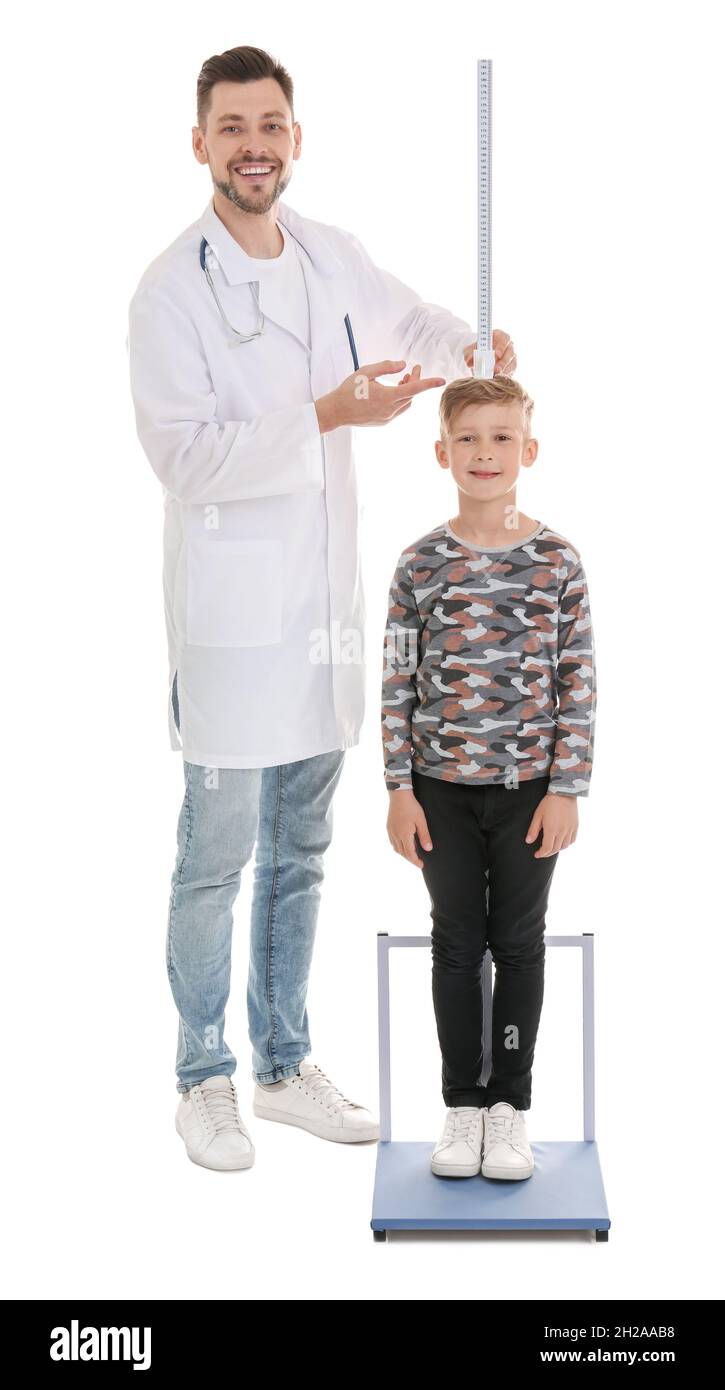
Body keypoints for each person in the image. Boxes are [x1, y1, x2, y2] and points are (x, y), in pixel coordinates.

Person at [127, 44, 518, 1173]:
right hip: (231, 629)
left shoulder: (331, 256)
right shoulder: (170, 289)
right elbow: (184, 460)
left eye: (271, 125)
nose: (254, 144)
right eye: (231, 126)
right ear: (200, 143)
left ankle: (283, 1061)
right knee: (216, 858)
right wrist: (326, 413)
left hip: (321, 619)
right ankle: (202, 1075)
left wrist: (475, 350)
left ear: (295, 138)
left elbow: (421, 323)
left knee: (302, 846)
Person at [382, 374, 596, 1181]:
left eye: (501, 437)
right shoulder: (419, 564)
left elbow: (577, 680)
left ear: (528, 451)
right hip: (438, 788)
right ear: (441, 452)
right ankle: (461, 1106)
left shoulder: (556, 562)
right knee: (454, 942)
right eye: (468, 438)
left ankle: (509, 1106)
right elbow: (397, 678)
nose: (484, 453)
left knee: (518, 942)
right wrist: (397, 787)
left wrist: (566, 786)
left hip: (529, 794)